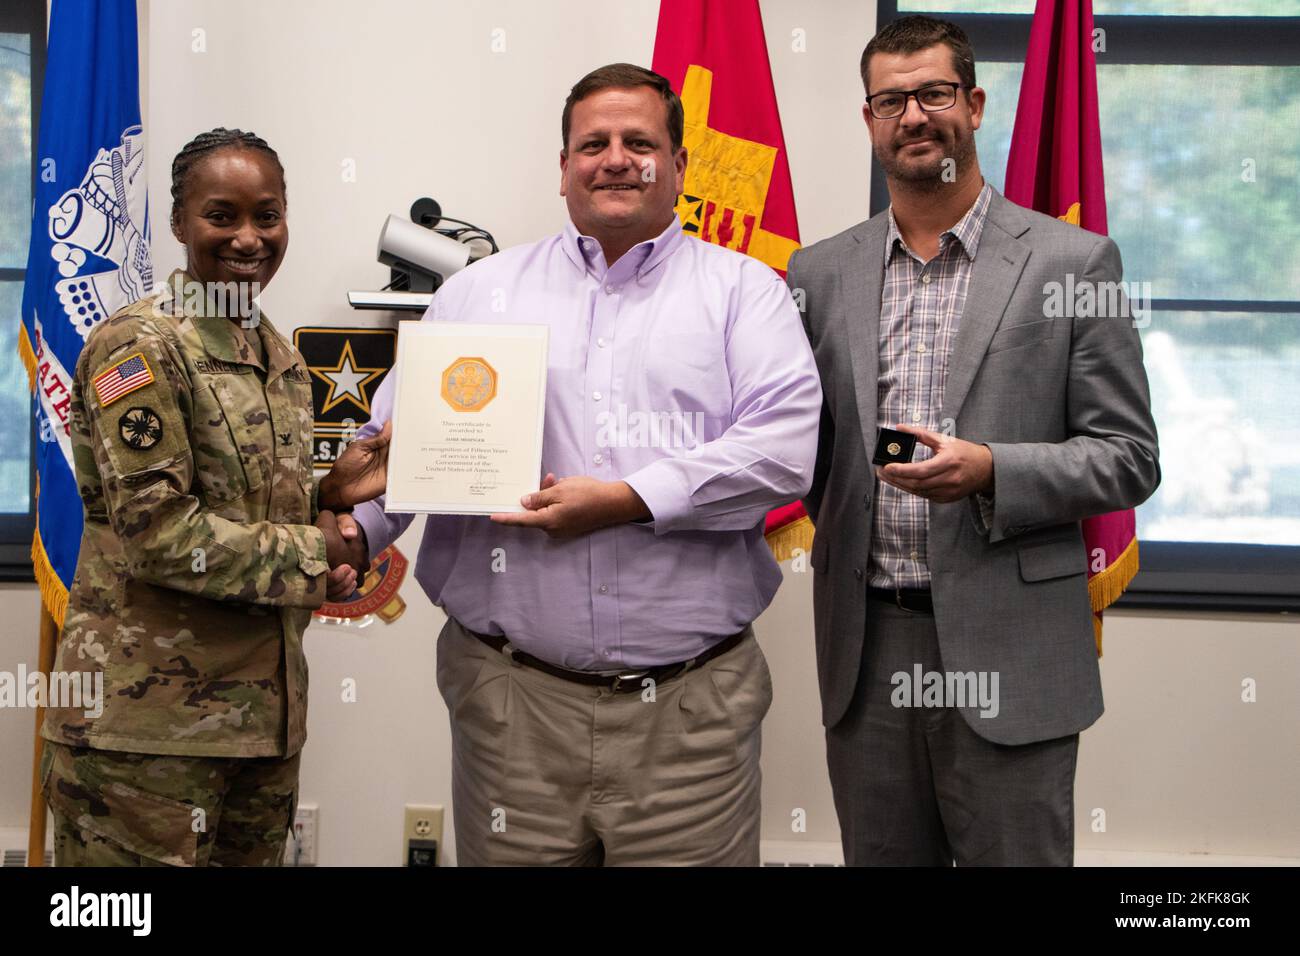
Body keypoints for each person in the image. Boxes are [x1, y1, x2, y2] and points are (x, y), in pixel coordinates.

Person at [324, 63, 822, 866]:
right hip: (511, 708)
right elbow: (403, 460)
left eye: (639, 142)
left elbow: (783, 454)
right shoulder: (478, 295)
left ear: (680, 167)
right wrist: (349, 536)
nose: (615, 159)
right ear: (563, 168)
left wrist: (629, 499)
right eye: (593, 143)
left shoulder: (746, 295)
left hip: (690, 719)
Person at [790, 15, 1160, 865]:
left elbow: (1130, 454)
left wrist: (993, 470)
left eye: (934, 93)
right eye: (893, 100)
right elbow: (809, 454)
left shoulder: (1074, 262)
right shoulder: (817, 272)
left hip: (1014, 650)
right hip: (867, 649)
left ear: (976, 103)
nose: (915, 116)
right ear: (870, 119)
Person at [40, 128, 383, 867]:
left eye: (268, 214)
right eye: (221, 215)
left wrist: (329, 493)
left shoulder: (277, 351)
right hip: (143, 739)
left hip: (262, 727)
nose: (249, 238)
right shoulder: (140, 346)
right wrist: (316, 552)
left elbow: (244, 512)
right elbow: (160, 533)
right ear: (178, 224)